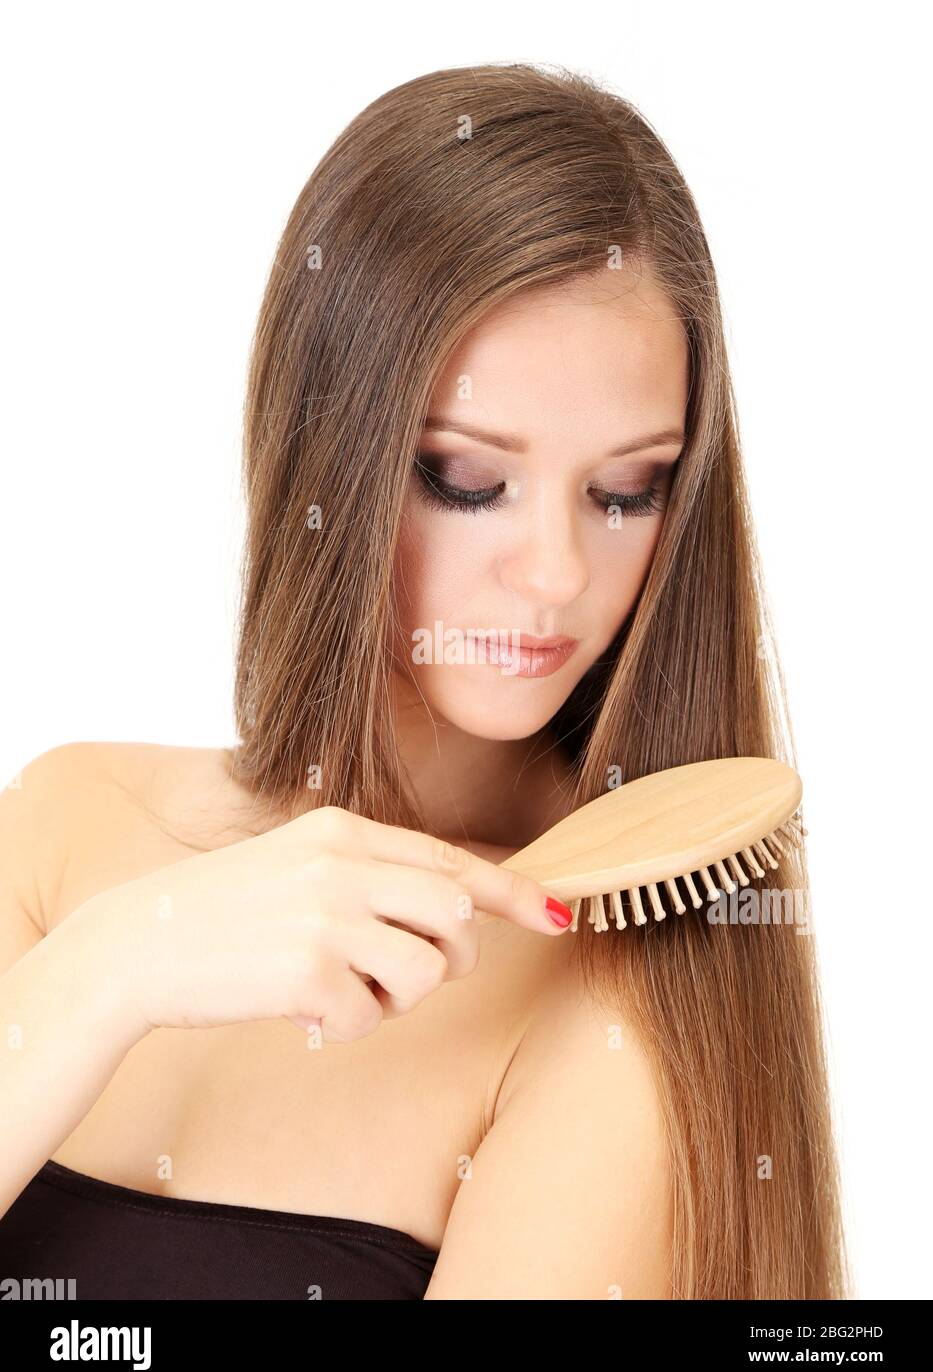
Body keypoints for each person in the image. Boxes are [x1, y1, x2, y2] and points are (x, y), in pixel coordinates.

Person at [0, 61, 848, 1300]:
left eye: (626, 492)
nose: (555, 573)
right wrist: (112, 971)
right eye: (466, 476)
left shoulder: (607, 1004)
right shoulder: (67, 833)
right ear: (322, 453)